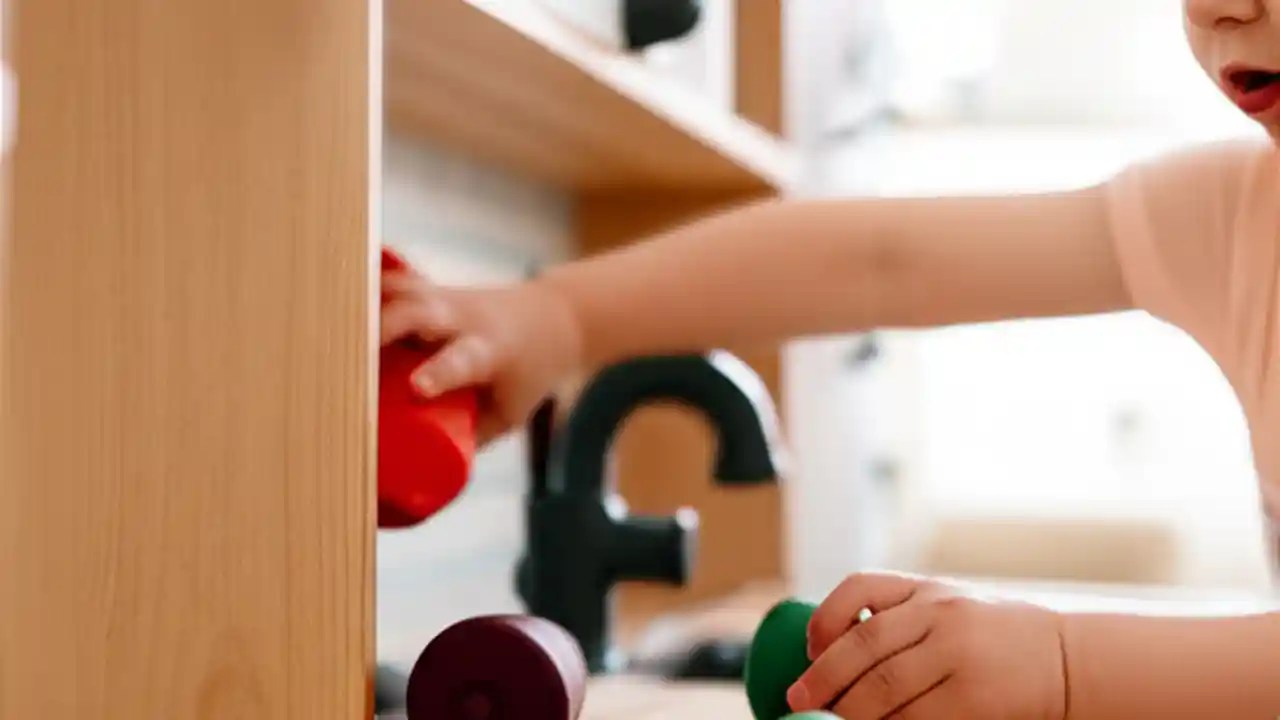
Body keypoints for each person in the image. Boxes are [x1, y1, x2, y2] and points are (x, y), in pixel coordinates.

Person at [380, 1, 1280, 716]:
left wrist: (1063, 667)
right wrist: (560, 317)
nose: (1215, 7)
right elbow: (882, 259)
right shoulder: (1233, 217)